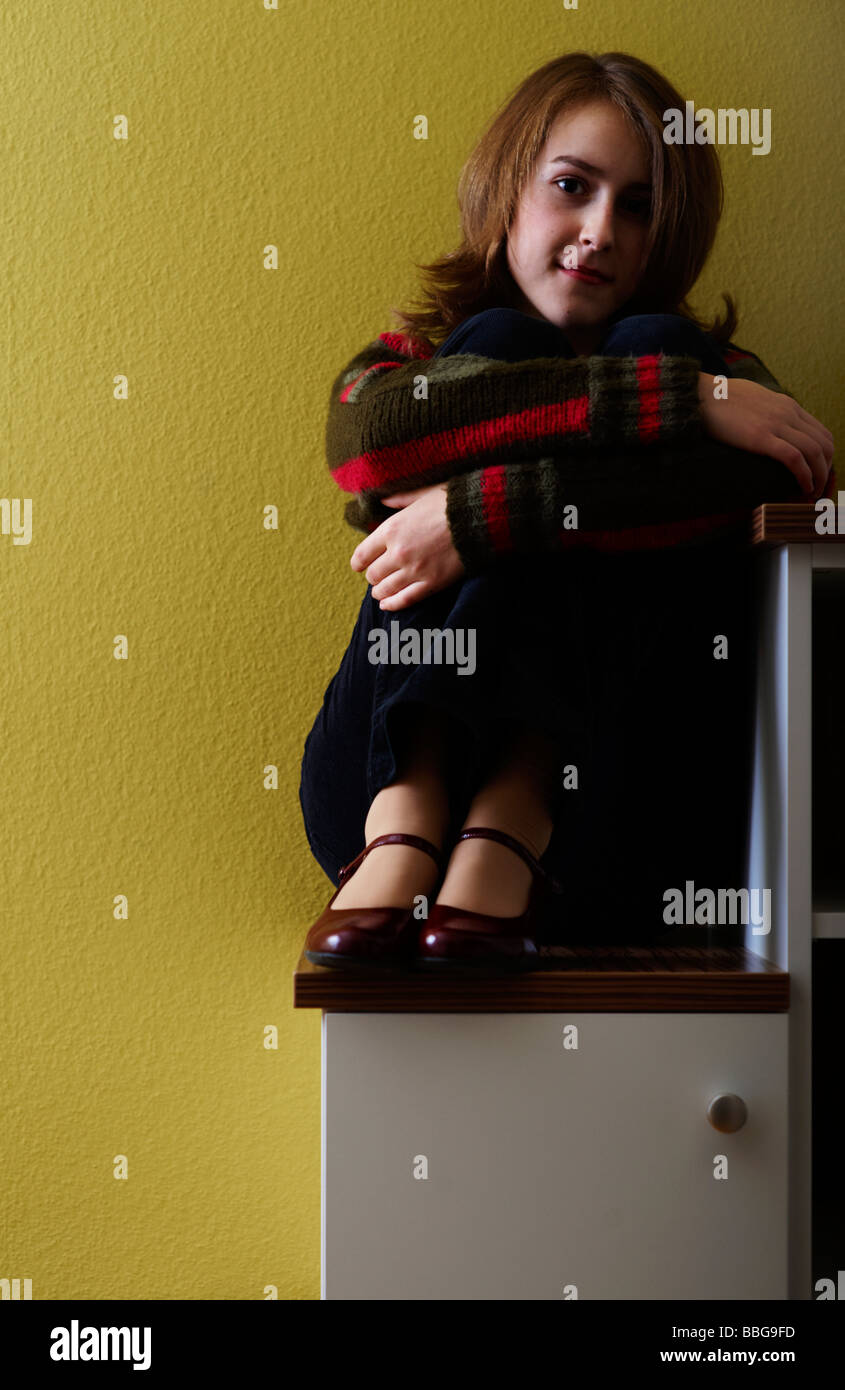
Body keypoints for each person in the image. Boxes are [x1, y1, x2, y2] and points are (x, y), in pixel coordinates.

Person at [299, 51, 834, 972]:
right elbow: (369, 444)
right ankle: (412, 816)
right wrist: (676, 409)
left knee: (653, 343)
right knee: (499, 344)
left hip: (623, 809)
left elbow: (790, 479)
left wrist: (478, 515)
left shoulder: (719, 375)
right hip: (369, 786)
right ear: (508, 191)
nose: (598, 231)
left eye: (635, 205)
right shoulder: (414, 363)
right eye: (570, 186)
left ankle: (515, 814)